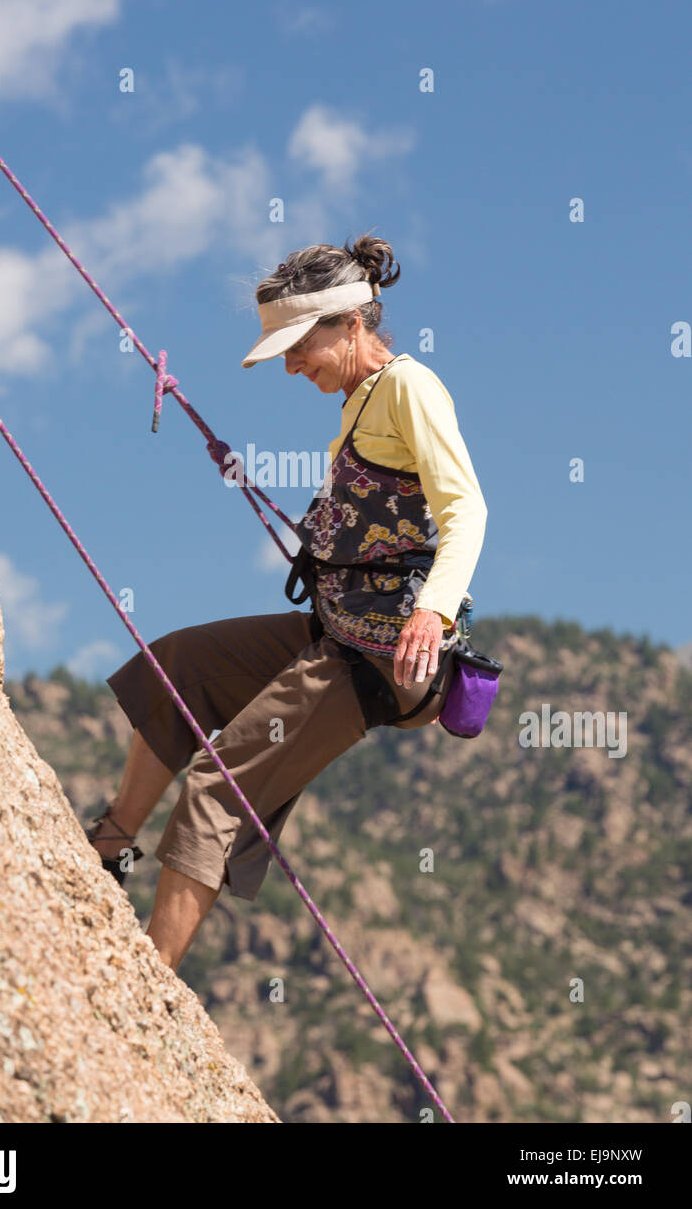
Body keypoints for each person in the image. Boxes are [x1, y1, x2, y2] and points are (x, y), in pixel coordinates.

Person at [92, 234, 488, 974]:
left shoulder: (409, 386)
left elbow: (465, 509)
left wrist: (432, 613)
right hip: (334, 630)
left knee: (217, 788)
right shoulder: (361, 400)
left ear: (349, 324)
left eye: (298, 345)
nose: (290, 364)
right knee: (178, 664)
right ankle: (111, 841)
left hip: (375, 657)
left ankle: (147, 987)